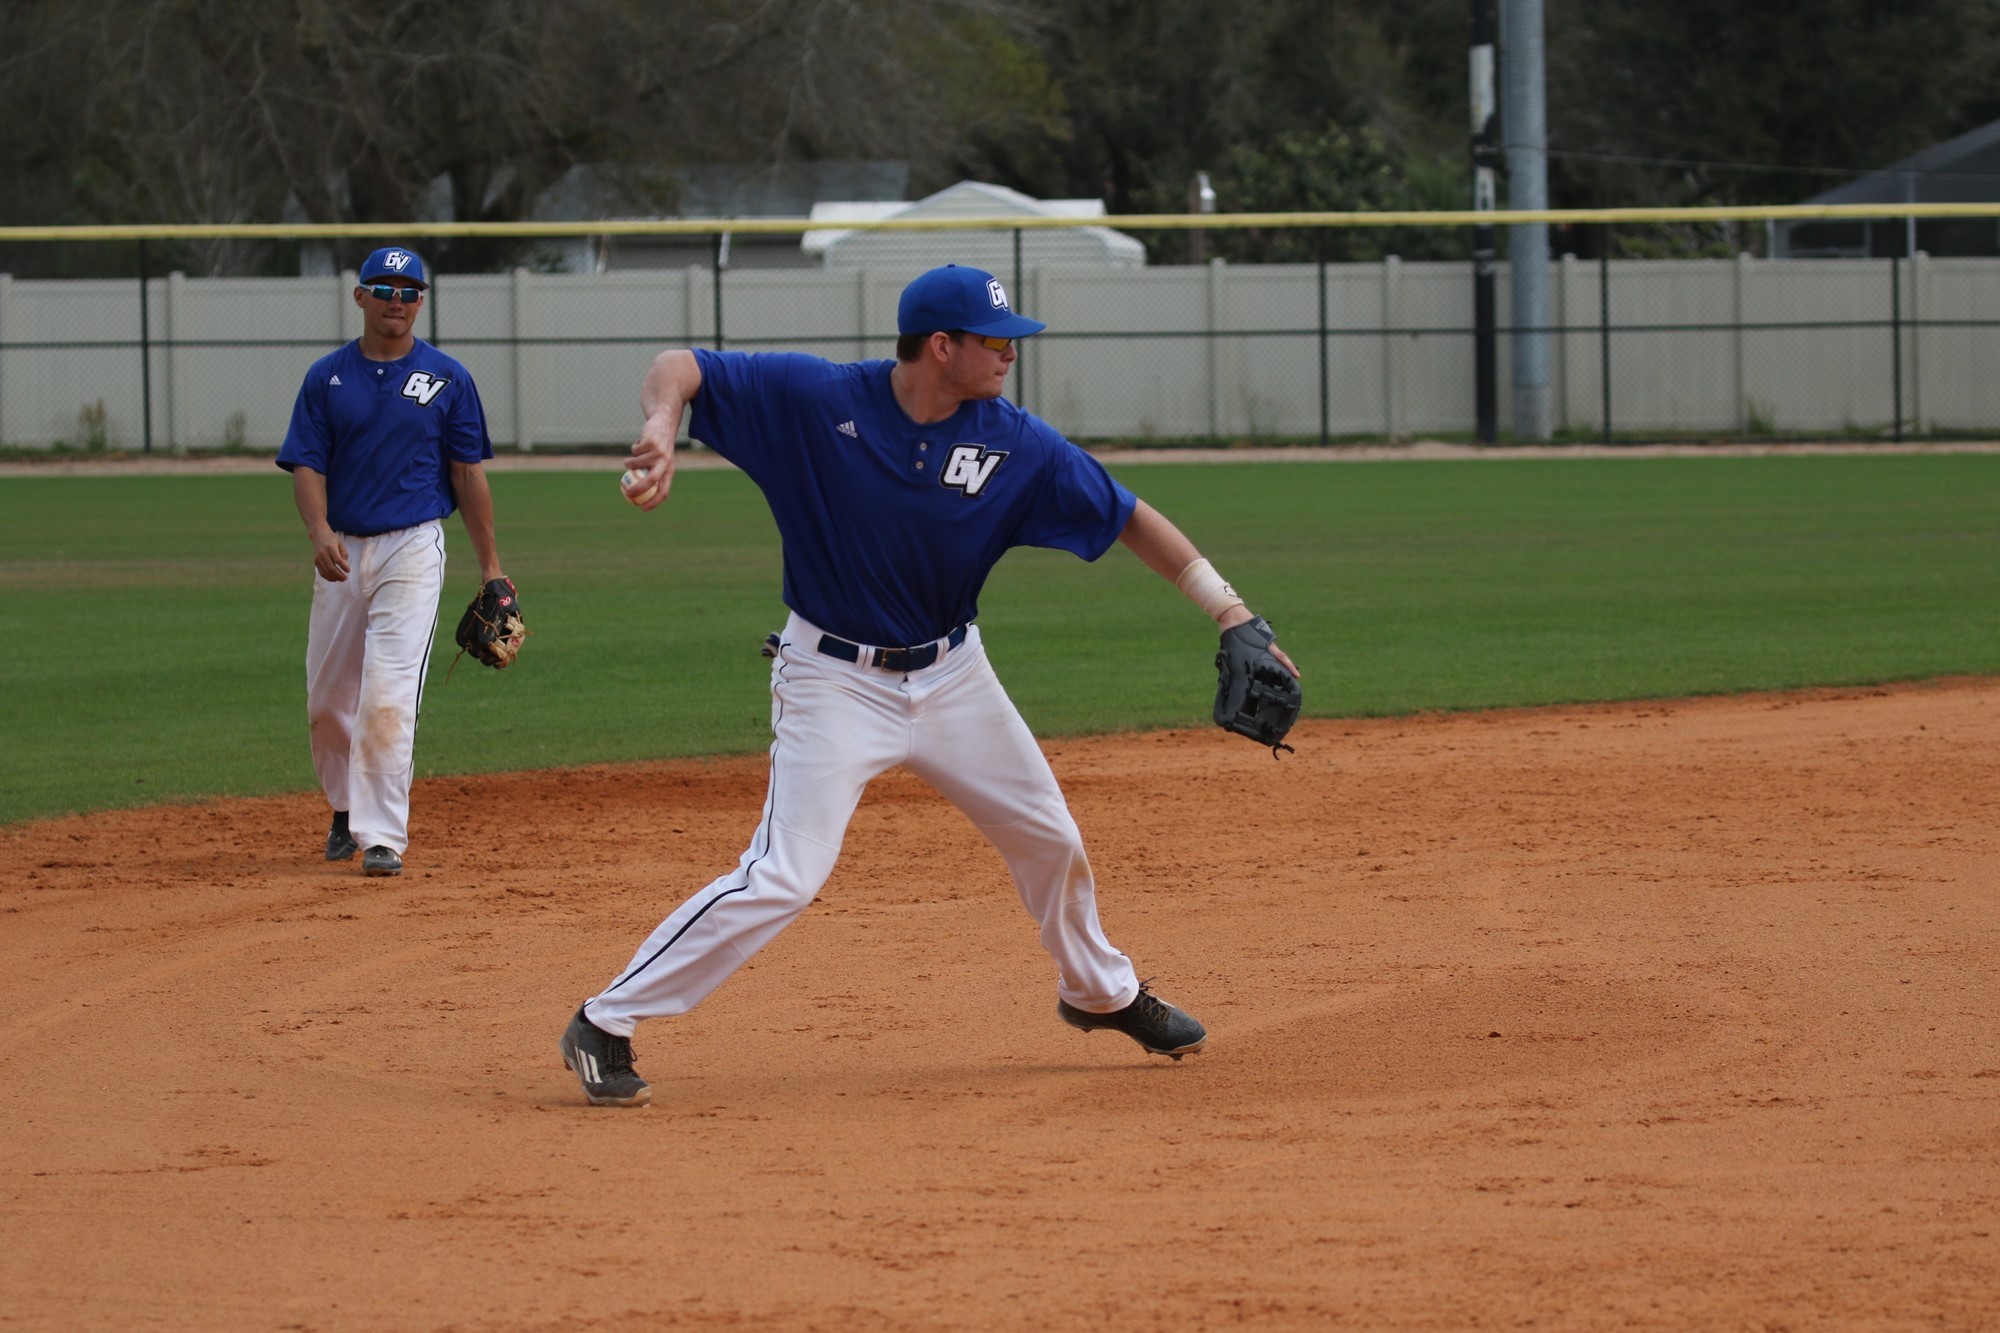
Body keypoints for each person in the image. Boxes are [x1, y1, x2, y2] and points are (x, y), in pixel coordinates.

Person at [558, 263, 1299, 1107]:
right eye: (996, 339)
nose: (1011, 353)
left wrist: (1230, 612)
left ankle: (1099, 992)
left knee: (1049, 837)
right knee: (784, 874)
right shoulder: (815, 400)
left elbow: (1126, 514)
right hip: (832, 680)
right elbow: (680, 365)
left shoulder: (1013, 442)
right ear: (941, 346)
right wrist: (662, 422)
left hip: (954, 678)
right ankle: (605, 1018)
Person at [276, 246, 507, 878]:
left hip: (413, 546)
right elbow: (306, 463)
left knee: (388, 694)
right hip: (342, 551)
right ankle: (346, 808)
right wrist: (319, 530)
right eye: (385, 289)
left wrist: (491, 569)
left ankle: (381, 836)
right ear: (360, 297)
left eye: (410, 292)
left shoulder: (448, 378)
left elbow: (468, 473)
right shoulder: (326, 377)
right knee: (327, 701)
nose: (397, 302)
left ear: (421, 301)